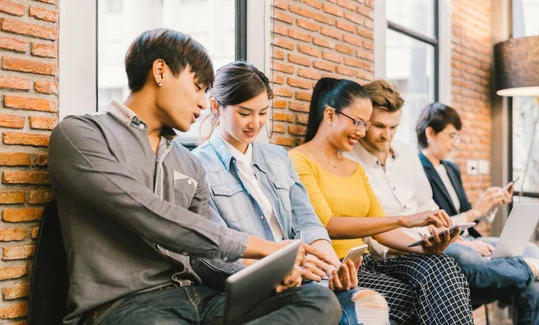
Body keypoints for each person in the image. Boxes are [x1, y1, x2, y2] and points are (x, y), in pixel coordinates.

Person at [48, 29, 341, 325]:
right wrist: (266, 248)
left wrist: (262, 280)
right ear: (160, 71)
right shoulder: (81, 135)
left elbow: (205, 259)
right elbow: (149, 215)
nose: (203, 104)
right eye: (198, 86)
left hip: (198, 299)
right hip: (125, 307)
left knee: (318, 301)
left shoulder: (188, 164)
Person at [346, 80, 539, 325]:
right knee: (466, 258)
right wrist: (469, 223)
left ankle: (535, 275)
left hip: (440, 235)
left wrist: (456, 234)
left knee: (534, 289)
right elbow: (373, 228)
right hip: (402, 248)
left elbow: (428, 204)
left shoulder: (408, 153)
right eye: (379, 126)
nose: (387, 135)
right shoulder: (351, 165)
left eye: (394, 127)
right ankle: (532, 268)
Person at [191, 61, 390, 325]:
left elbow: (307, 221)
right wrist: (281, 271)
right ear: (216, 107)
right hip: (258, 286)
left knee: (371, 303)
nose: (256, 123)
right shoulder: (197, 166)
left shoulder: (277, 157)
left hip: (306, 277)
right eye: (245, 113)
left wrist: (332, 268)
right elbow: (214, 253)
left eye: (263, 113)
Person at [289, 77, 474, 324]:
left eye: (365, 125)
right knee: (433, 298)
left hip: (366, 264)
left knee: (441, 263)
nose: (362, 132)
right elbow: (325, 224)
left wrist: (423, 247)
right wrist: (404, 220)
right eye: (358, 123)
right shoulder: (299, 160)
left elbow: (380, 231)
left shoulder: (355, 168)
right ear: (330, 115)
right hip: (339, 271)